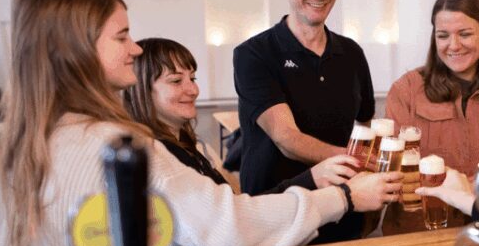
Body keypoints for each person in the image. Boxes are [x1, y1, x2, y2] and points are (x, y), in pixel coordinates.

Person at [0, 0, 401, 246]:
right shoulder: (119, 147)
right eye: (122, 37)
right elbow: (229, 229)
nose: (135, 49)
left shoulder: (25, 143)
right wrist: (341, 198)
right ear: (77, 50)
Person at [234, 0, 376, 244]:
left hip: (343, 214)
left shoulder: (351, 53)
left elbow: (365, 124)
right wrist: (355, 161)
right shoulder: (254, 54)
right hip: (277, 219)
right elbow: (287, 139)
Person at [124, 37, 364, 193]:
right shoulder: (157, 158)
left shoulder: (195, 148)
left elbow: (236, 210)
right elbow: (231, 223)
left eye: (193, 78)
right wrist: (315, 178)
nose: (193, 89)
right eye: (176, 80)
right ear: (141, 89)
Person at [385, 0, 479, 178]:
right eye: (443, 36)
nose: (453, 45)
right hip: (423, 207)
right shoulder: (406, 90)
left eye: (465, 34)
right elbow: (392, 172)